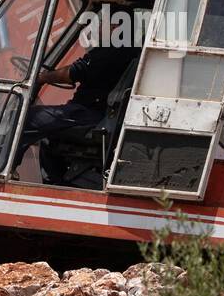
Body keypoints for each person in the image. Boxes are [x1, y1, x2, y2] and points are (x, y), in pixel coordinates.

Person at [15, 11, 143, 182]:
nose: (97, 28)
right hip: (100, 113)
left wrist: (42, 77)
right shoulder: (129, 49)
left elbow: (74, 72)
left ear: (116, 26)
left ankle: (1, 170)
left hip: (89, 114)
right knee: (48, 136)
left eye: (101, 23)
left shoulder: (114, 50)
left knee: (26, 118)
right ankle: (58, 183)